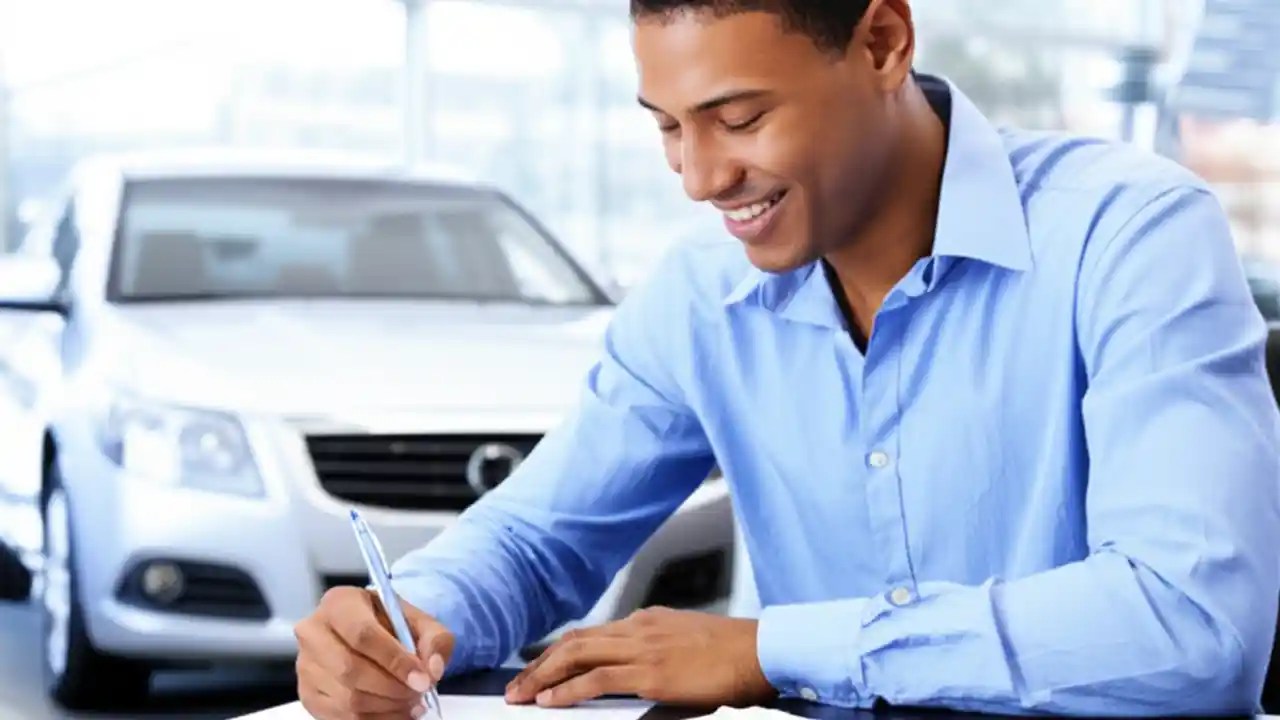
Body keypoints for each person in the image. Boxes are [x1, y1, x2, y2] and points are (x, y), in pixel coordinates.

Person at [293, 0, 1280, 717]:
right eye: (667, 128)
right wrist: (406, 619)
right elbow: (539, 539)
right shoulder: (698, 295)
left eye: (738, 119)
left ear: (882, 43)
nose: (698, 177)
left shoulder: (1129, 234)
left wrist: (769, 651)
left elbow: (1191, 625)